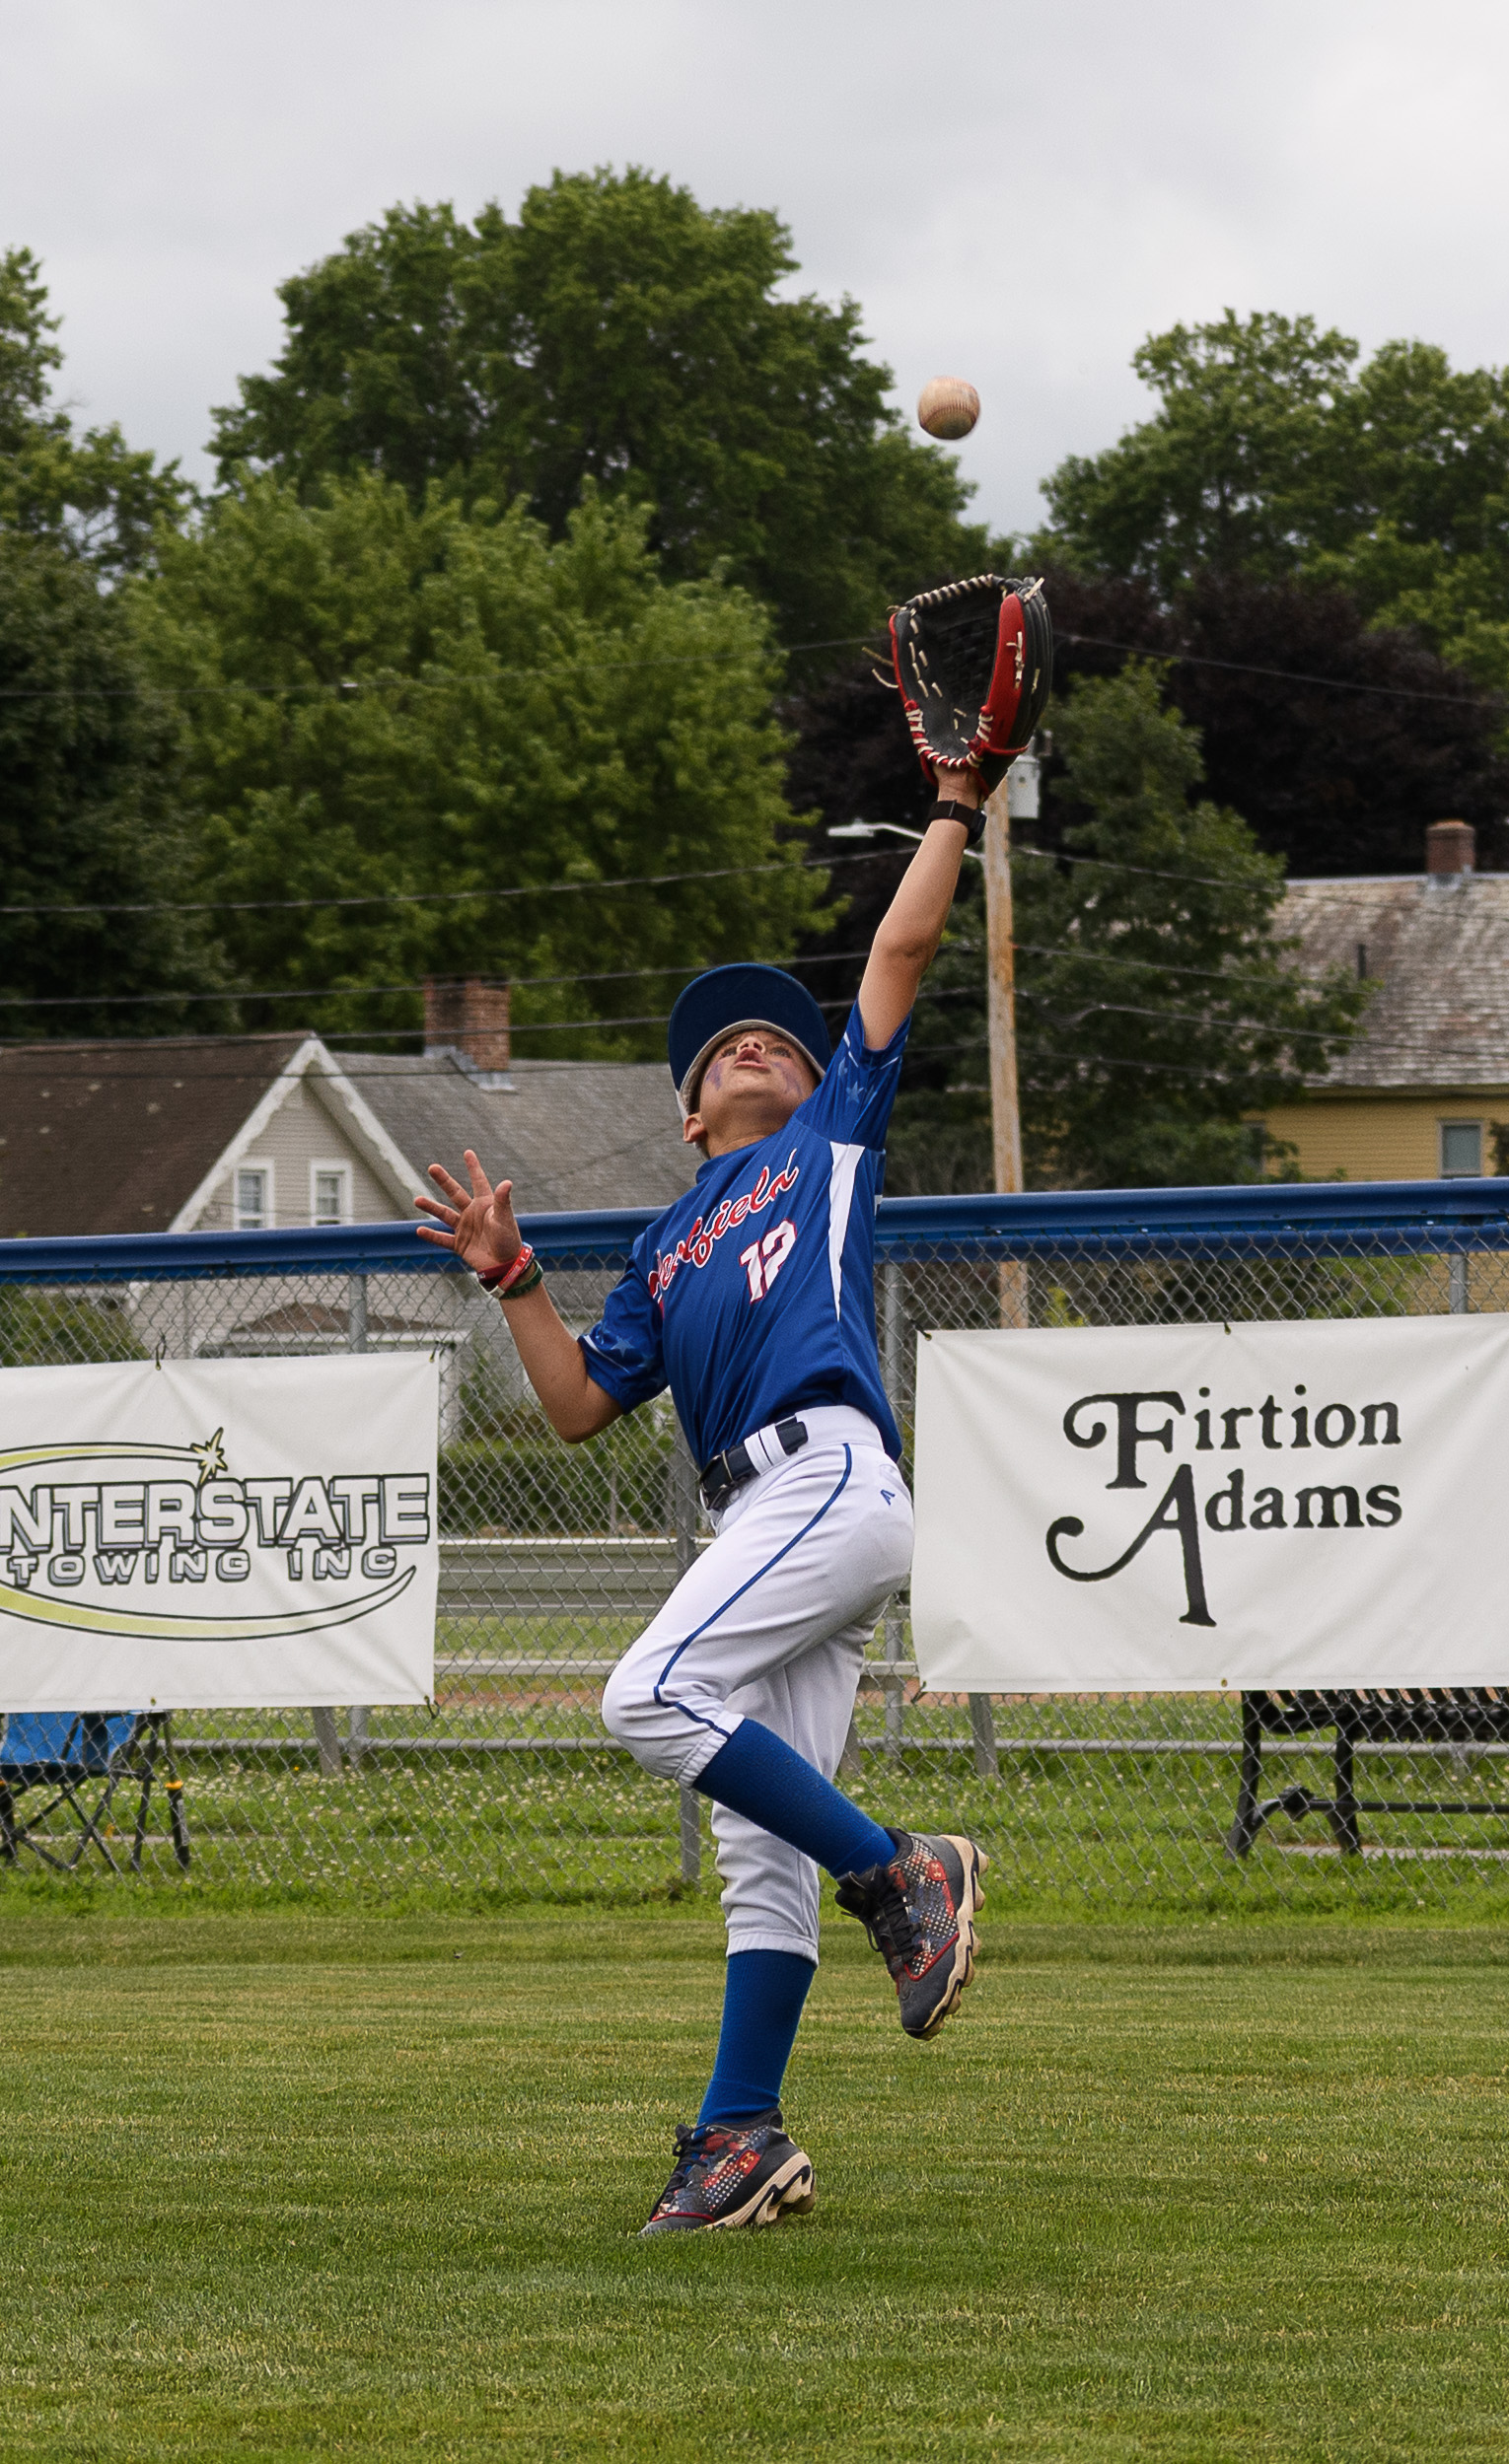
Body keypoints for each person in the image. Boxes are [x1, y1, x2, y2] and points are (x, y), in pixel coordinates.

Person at [416, 775, 991, 2236]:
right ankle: (743, 2137)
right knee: (758, 1863)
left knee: (648, 1693)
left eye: (778, 1039)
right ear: (686, 1116)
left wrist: (954, 803)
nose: (753, 1044)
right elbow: (575, 1406)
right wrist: (513, 1279)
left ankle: (903, 1872)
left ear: (812, 1080)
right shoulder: (666, 1247)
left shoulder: (829, 1141)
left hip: (827, 1474)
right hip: (761, 1519)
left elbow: (901, 955)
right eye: (723, 1046)